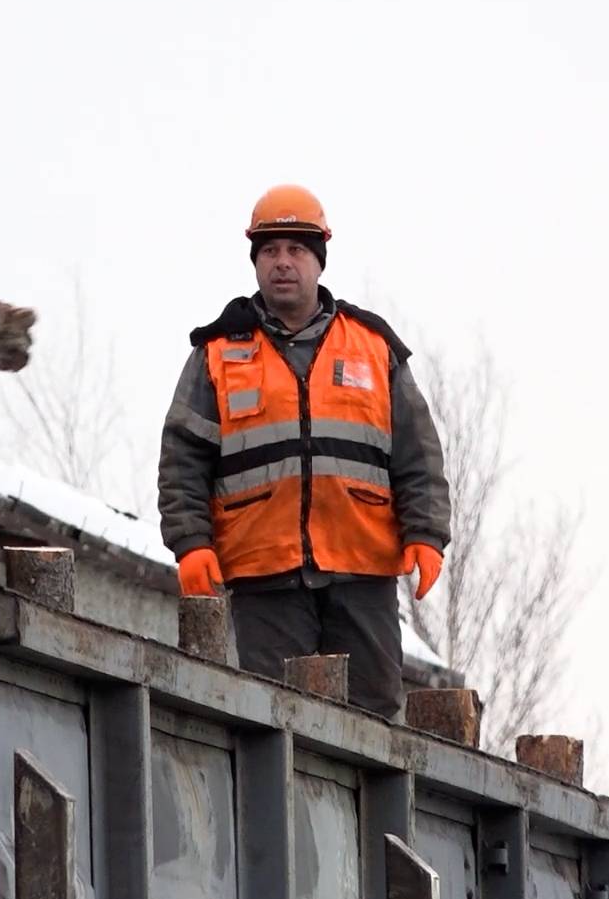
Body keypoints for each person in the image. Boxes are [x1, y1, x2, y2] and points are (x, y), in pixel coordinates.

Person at [157, 183, 451, 718]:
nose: (282, 263)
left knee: (372, 720)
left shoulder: (372, 345)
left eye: (296, 250)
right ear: (255, 262)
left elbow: (418, 452)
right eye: (269, 251)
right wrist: (191, 543)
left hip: (361, 568)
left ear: (319, 260)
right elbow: (183, 459)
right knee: (273, 719)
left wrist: (426, 534)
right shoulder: (219, 353)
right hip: (264, 574)